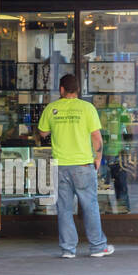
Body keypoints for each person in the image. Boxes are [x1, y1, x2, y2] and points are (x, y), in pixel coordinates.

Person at [37, 73, 114, 259]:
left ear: (61, 90)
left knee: (64, 209)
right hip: (83, 164)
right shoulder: (87, 108)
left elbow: (42, 132)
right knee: (90, 206)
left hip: (61, 165)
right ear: (77, 90)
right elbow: (96, 137)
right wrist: (98, 158)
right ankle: (97, 247)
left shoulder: (52, 108)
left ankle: (68, 249)